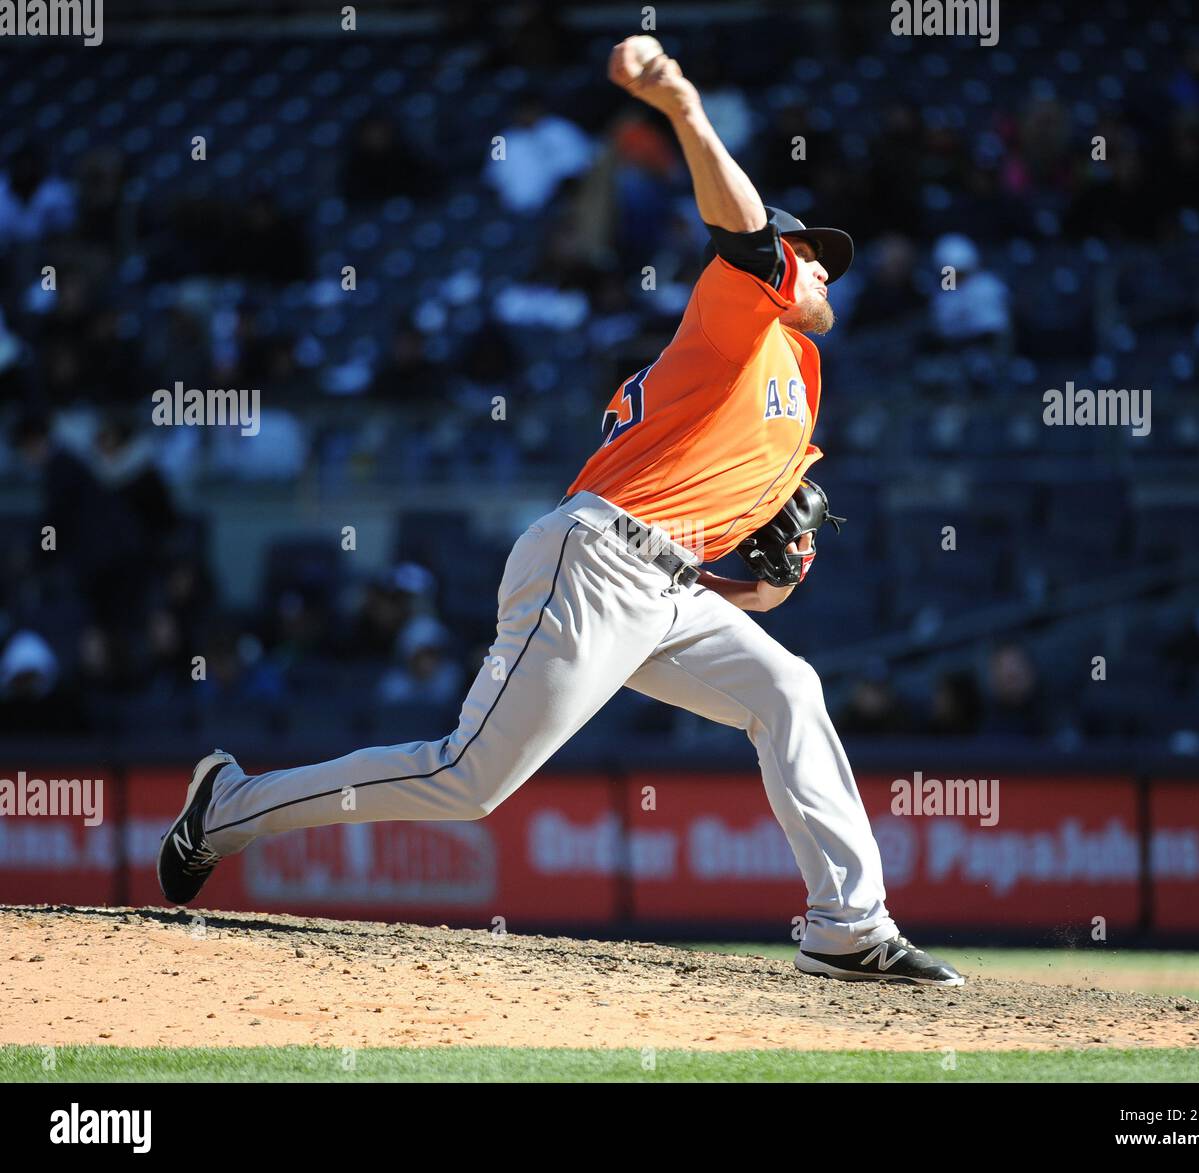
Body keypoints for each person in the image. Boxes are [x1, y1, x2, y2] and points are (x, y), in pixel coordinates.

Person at [158, 40, 964, 988]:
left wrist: (759, 581)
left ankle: (847, 925)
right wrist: (685, 107)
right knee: (467, 780)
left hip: (663, 580)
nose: (824, 270)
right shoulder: (740, 312)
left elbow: (750, 585)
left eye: (824, 262)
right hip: (598, 562)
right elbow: (743, 235)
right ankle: (228, 807)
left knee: (788, 692)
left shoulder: (789, 394)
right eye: (810, 255)